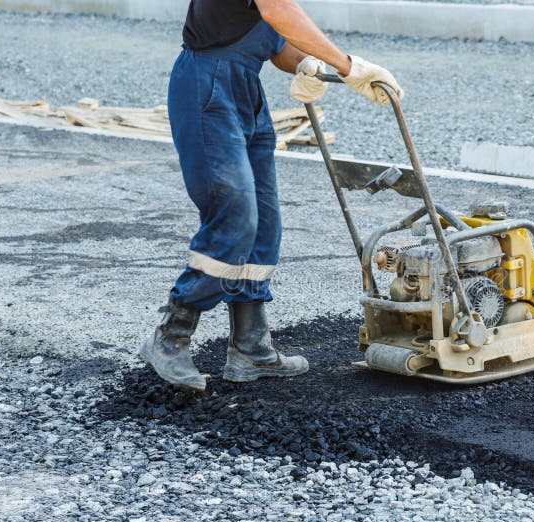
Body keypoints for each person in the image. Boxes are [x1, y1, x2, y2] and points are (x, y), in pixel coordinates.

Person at [141, 0, 403, 392]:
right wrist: (350, 66)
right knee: (235, 218)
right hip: (207, 85)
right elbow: (279, 11)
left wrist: (304, 63)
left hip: (245, 87)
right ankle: (170, 335)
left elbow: (276, 41)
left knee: (263, 223)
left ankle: (250, 347)